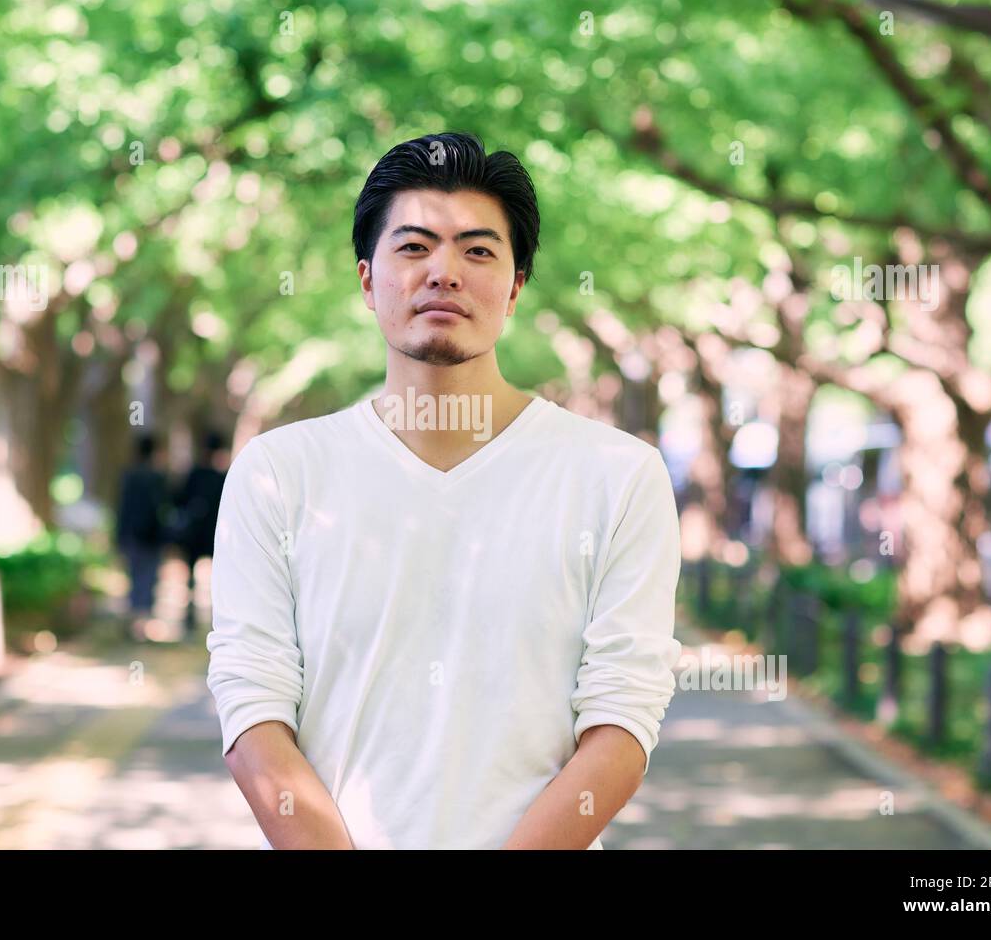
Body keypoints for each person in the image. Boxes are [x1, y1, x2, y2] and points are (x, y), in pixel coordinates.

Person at [206, 132, 682, 850]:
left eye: (479, 250)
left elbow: (622, 722)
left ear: (516, 285)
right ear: (368, 280)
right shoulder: (279, 471)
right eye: (414, 246)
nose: (444, 272)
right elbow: (252, 709)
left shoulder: (617, 476)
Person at [172, 431, 228, 636]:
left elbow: (178, 499)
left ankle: (189, 617)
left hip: (193, 534)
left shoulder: (193, 474)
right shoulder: (223, 478)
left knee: (190, 577)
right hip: (215, 535)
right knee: (220, 577)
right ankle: (218, 618)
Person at [115, 433, 167, 638]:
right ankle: (141, 626)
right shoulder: (157, 477)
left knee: (135, 578)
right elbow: (161, 509)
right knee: (147, 579)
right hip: (151, 537)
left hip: (131, 536)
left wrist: (119, 536)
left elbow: (122, 508)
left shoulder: (128, 475)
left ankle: (134, 622)